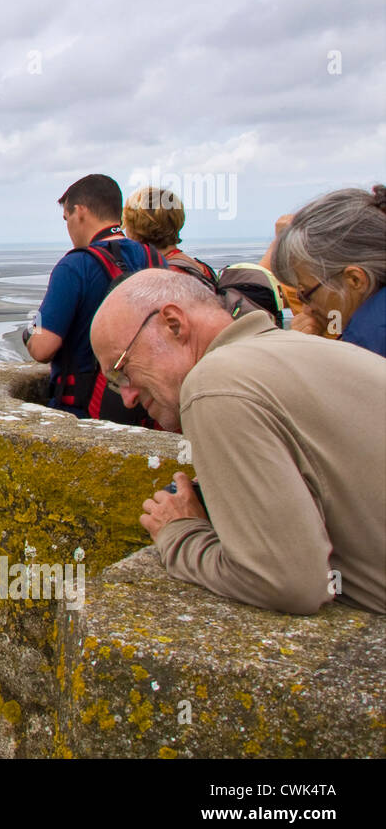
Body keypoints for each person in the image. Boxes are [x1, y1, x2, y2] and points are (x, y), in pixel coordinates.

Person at [90, 268, 386, 615]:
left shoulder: (214, 383)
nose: (126, 397)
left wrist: (179, 533)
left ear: (173, 324)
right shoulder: (304, 350)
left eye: (122, 370)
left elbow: (290, 582)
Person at [24, 174, 165, 424]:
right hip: (148, 415)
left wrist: (30, 332)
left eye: (66, 219)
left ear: (79, 211)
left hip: (83, 417)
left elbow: (42, 348)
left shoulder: (75, 265)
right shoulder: (154, 259)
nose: (67, 228)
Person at [269, 184, 386, 357]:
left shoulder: (369, 340)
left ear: (355, 280)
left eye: (306, 295)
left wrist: (309, 355)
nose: (307, 310)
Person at [122, 186, 213, 280]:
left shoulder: (161, 277)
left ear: (136, 229)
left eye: (126, 223)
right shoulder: (200, 268)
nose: (125, 230)